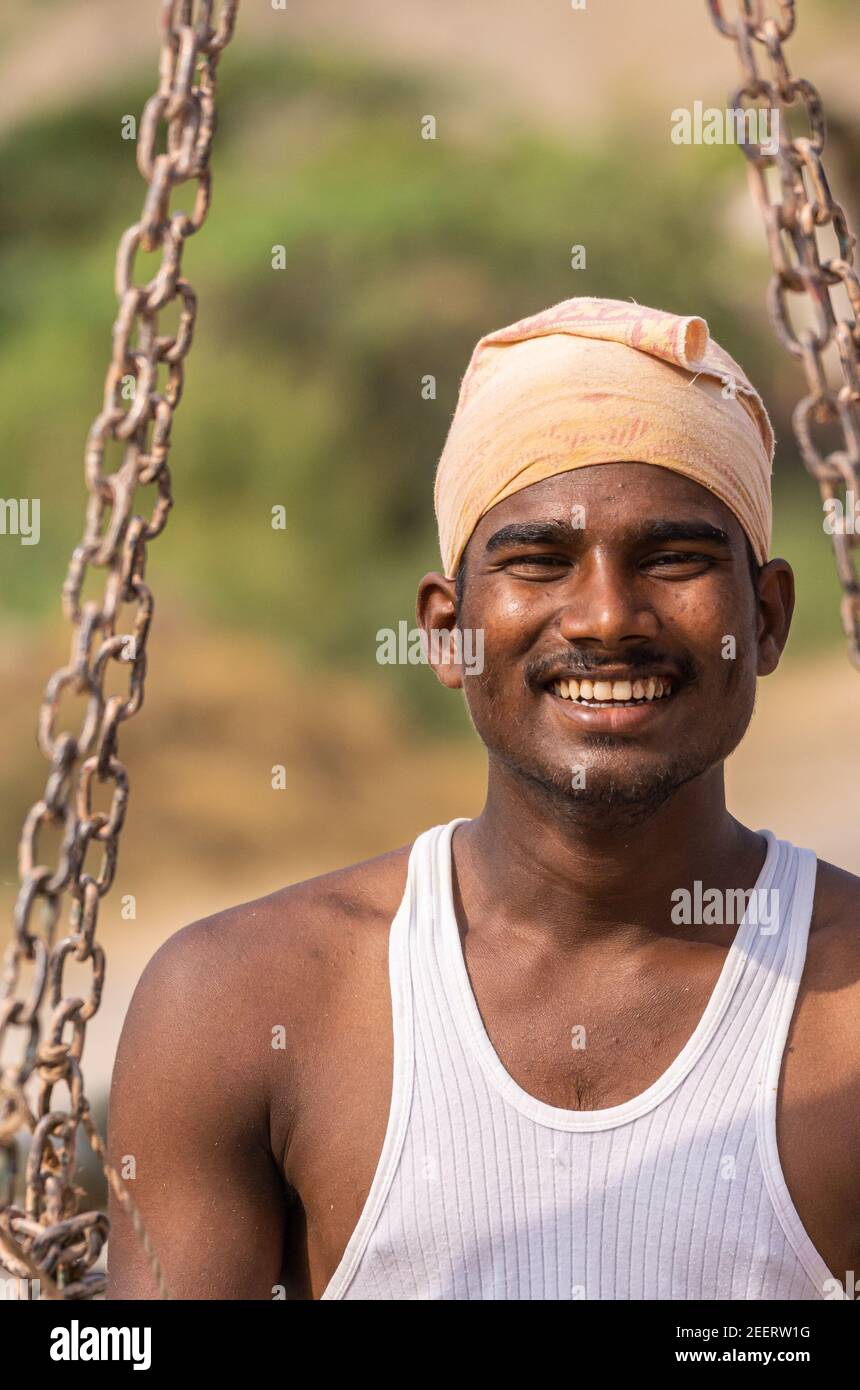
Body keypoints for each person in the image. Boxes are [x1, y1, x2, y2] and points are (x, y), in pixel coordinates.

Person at [106, 296, 860, 1301]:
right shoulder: (239, 1002)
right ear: (447, 630)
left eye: (670, 557)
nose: (603, 617)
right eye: (538, 560)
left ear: (762, 620)